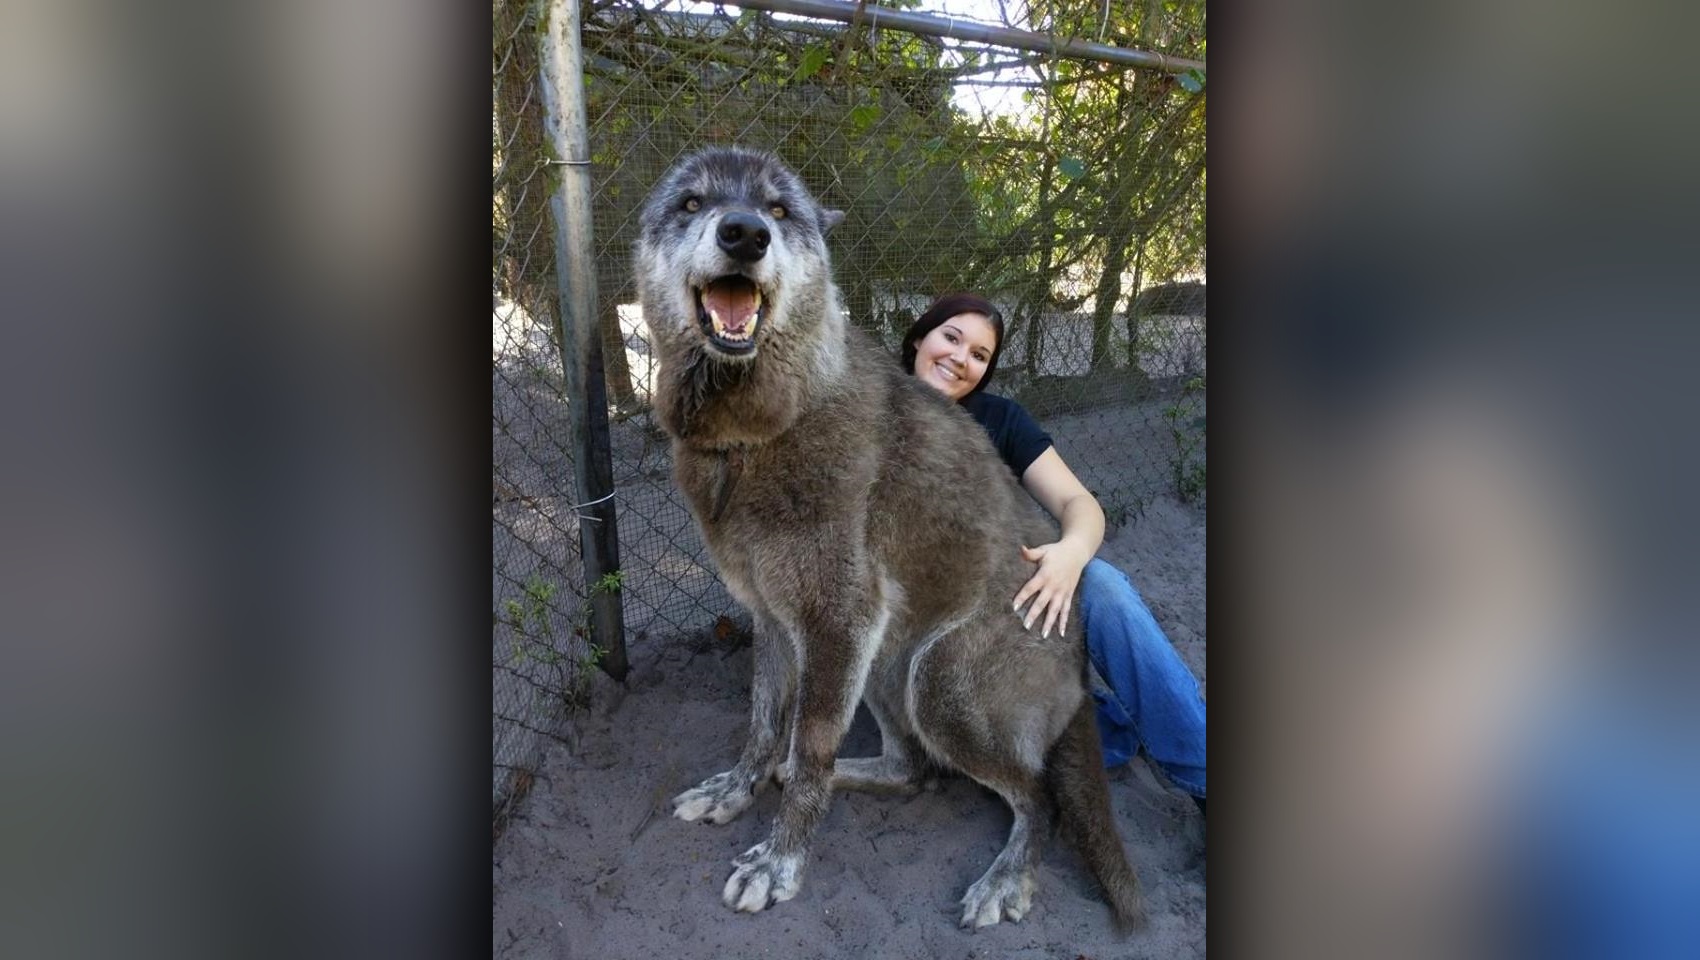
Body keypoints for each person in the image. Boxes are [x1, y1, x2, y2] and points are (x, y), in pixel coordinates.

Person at [900, 293, 1207, 814]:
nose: (960, 358)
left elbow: (1077, 502)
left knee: (1102, 585)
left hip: (1003, 601)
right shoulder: (863, 415)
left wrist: (1070, 554)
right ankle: (1105, 723)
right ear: (917, 340)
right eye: (951, 338)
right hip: (921, 632)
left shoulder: (998, 419)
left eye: (979, 354)